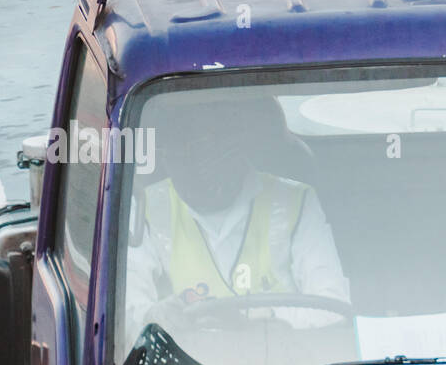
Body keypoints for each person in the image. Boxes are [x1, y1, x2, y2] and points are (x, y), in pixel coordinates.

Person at [123, 102, 351, 342]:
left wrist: (258, 320)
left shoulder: (295, 201)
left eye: (204, 147)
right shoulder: (146, 208)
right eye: (180, 150)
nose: (194, 164)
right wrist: (156, 316)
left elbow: (333, 307)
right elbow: (124, 315)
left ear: (235, 145)